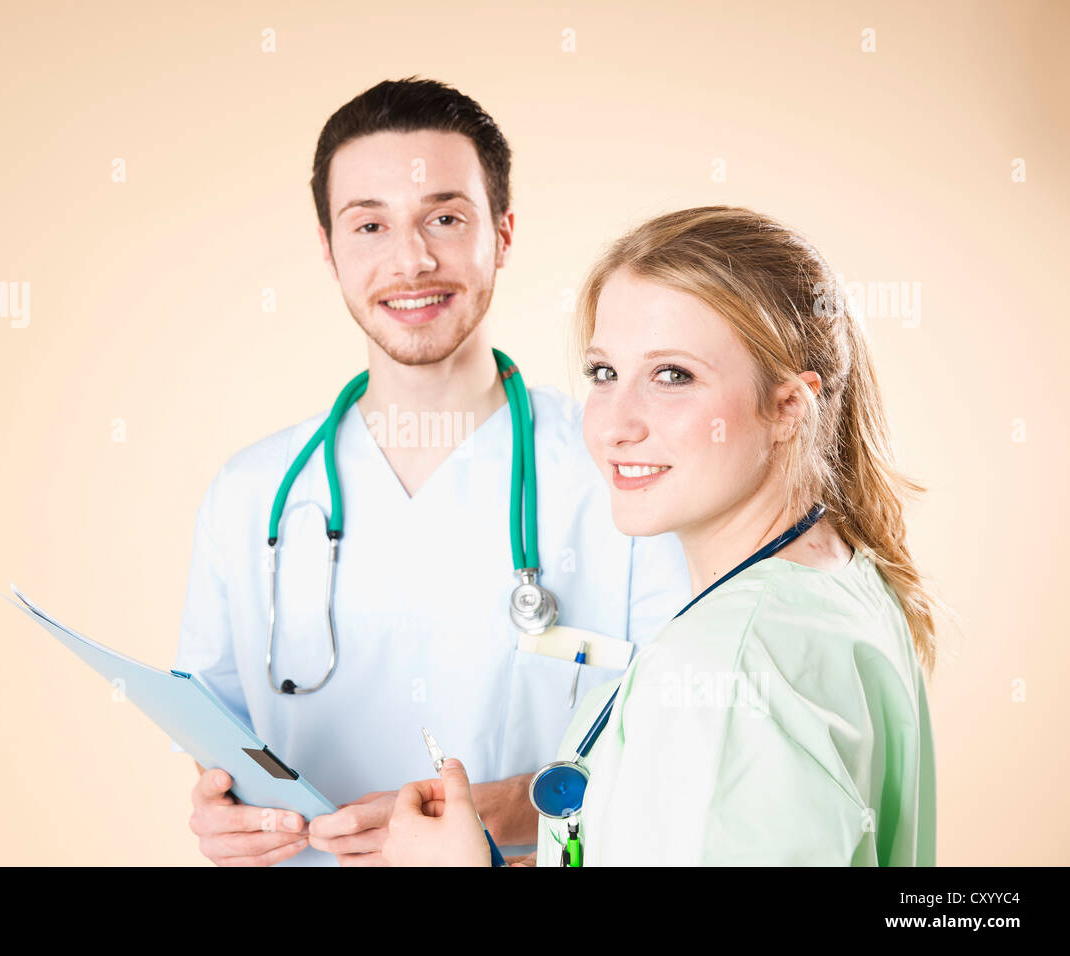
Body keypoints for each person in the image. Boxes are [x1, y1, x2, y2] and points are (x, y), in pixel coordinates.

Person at [173, 77, 691, 866]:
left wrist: (490, 814)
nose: (410, 261)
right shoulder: (249, 495)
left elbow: (678, 740)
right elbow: (219, 731)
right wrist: (223, 810)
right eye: (370, 224)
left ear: (504, 234)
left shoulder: (620, 467)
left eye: (445, 218)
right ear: (328, 248)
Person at [383, 205, 938, 866]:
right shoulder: (844, 574)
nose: (616, 425)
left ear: (789, 407)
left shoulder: (724, 666)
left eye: (673, 376)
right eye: (604, 374)